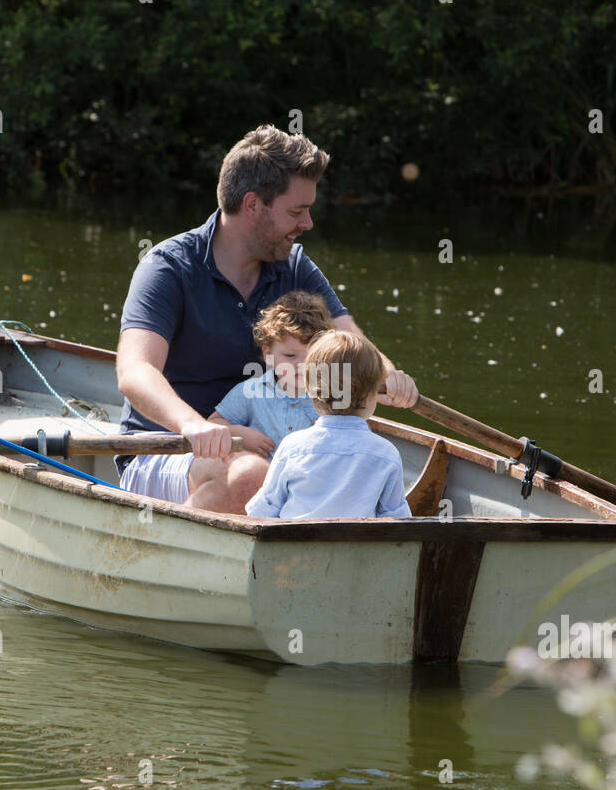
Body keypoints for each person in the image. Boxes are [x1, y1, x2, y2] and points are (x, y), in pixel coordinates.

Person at [115, 124, 418, 513]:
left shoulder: (293, 267)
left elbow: (350, 340)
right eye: (297, 211)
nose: (307, 223)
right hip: (165, 448)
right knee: (251, 477)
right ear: (253, 204)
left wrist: (389, 375)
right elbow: (135, 371)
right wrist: (194, 426)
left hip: (278, 451)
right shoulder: (167, 268)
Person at [246, 330, 411, 520]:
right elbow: (398, 520)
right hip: (356, 548)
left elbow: (262, 510)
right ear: (367, 398)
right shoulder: (386, 454)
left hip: (295, 546)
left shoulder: (292, 447)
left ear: (310, 391)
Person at [206, 290, 332, 458]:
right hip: (261, 478)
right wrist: (241, 434)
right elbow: (213, 424)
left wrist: (332, 431)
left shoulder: (330, 396)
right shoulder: (252, 391)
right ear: (268, 354)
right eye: (290, 356)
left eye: (312, 356)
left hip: (311, 478)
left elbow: (351, 433)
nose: (301, 365)